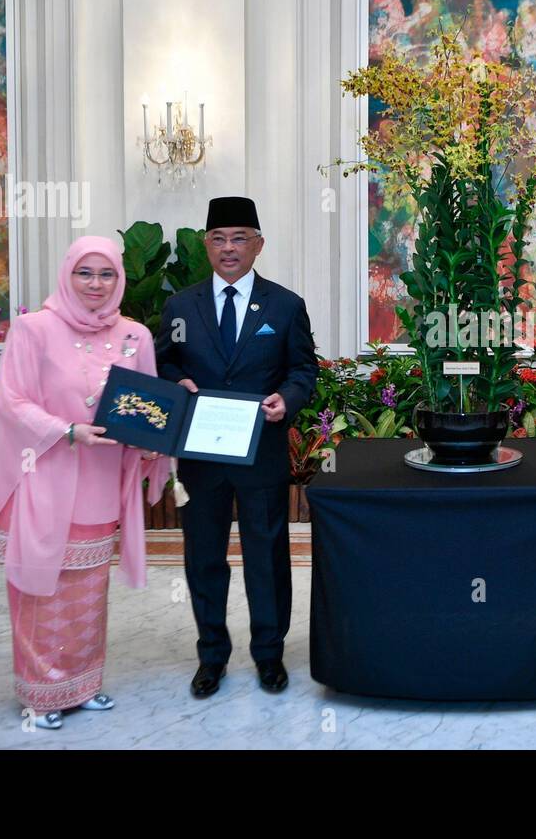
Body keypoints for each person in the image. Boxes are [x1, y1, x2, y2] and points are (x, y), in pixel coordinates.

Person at [0, 236, 170, 729]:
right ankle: (41, 694)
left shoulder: (134, 336)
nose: (96, 284)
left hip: (101, 483)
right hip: (43, 477)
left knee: (87, 589)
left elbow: (148, 409)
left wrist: (152, 443)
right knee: (41, 587)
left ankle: (82, 683)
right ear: (67, 274)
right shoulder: (33, 330)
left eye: (106, 274)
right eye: (86, 273)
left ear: (119, 279)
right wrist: (66, 430)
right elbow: (11, 402)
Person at [155, 196, 317, 698]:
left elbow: (303, 370)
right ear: (206, 245)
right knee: (203, 555)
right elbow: (163, 363)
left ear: (258, 244)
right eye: (219, 238)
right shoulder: (181, 305)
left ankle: (269, 655)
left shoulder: (285, 305)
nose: (229, 248)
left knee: (266, 555)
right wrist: (176, 382)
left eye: (239, 238)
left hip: (259, 451)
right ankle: (211, 656)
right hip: (200, 456)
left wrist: (285, 401)